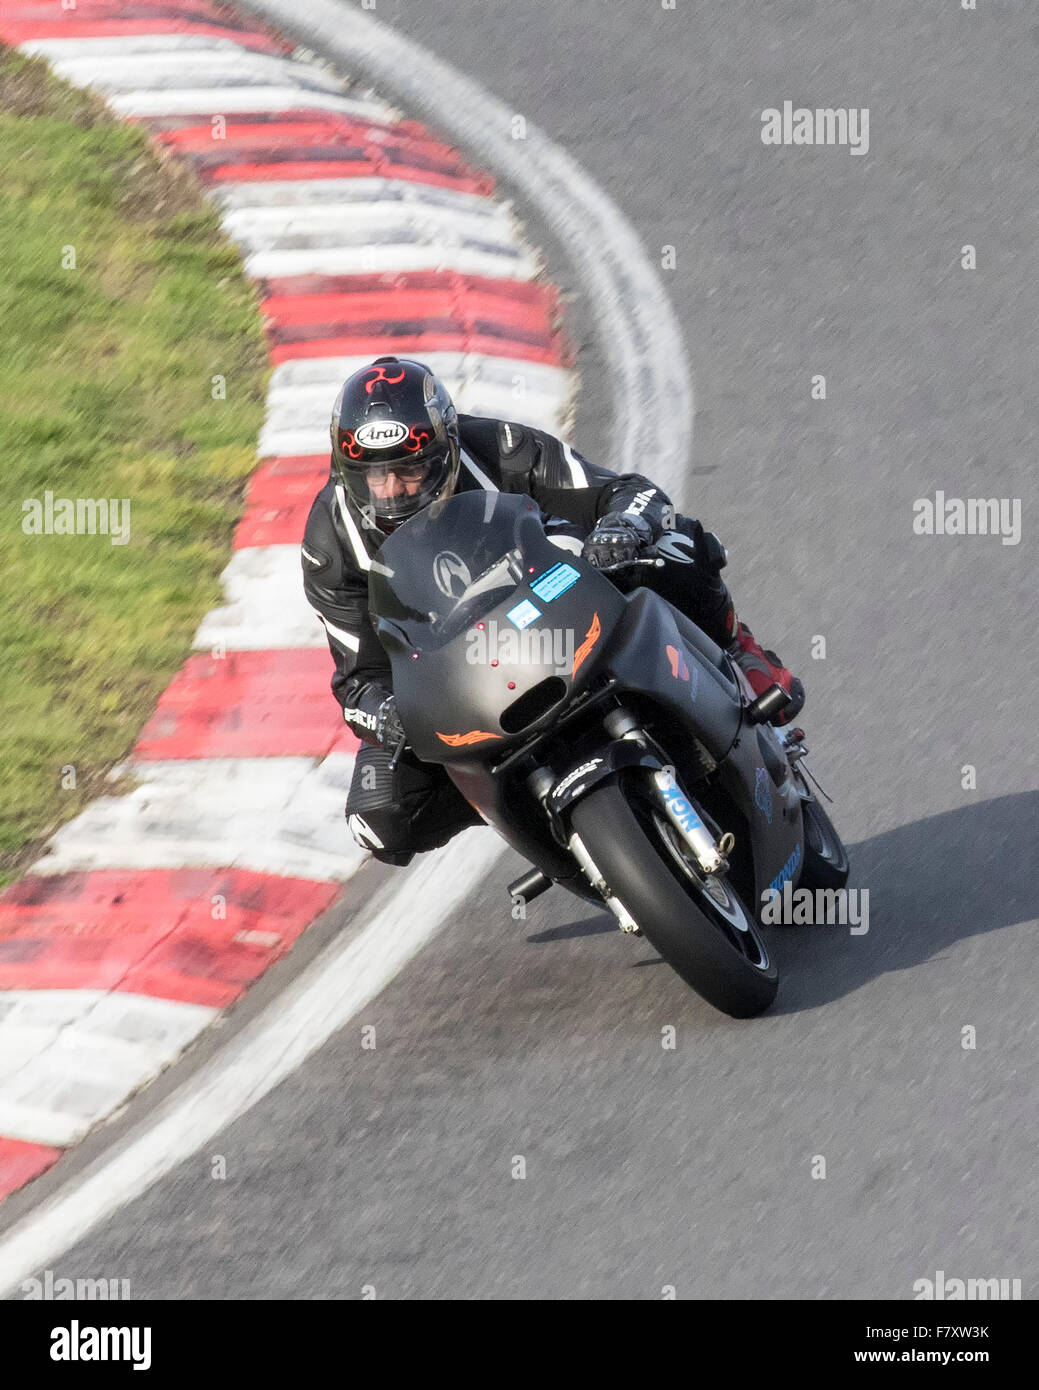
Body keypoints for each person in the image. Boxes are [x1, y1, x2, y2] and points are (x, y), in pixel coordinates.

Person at [302, 356, 803, 865]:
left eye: (410, 468)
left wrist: (619, 530)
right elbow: (356, 681)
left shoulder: (499, 448)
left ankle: (741, 654)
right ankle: (535, 817)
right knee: (379, 819)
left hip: (559, 601)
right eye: (373, 477)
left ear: (447, 448)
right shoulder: (329, 545)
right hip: (455, 678)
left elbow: (632, 493)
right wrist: (387, 715)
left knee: (676, 543)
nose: (392, 490)